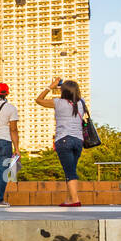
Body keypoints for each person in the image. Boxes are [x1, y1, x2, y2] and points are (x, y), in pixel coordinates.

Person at [36, 76, 86, 206]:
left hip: (64, 139)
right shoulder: (82, 103)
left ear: (63, 91)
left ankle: (75, 200)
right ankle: (69, 200)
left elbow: (39, 100)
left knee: (69, 172)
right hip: (78, 141)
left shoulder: (58, 102)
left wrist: (51, 86)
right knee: (71, 170)